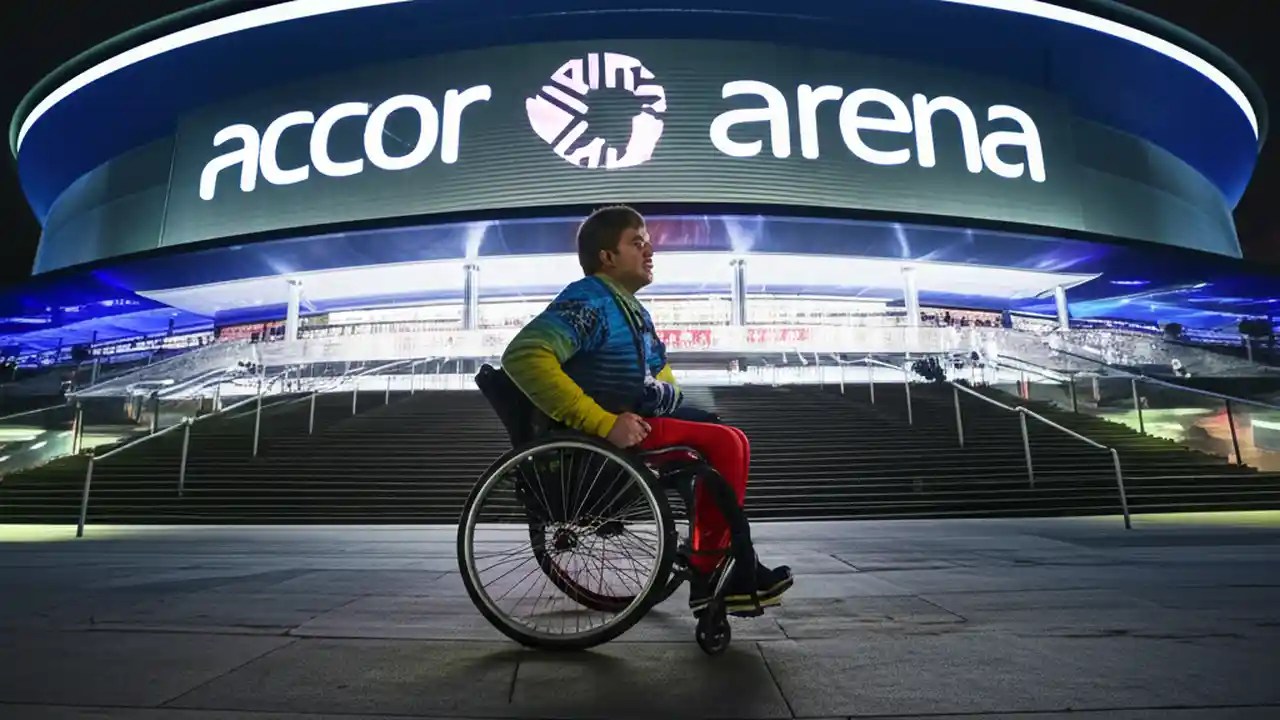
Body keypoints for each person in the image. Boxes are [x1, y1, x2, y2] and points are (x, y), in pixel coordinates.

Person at [500, 205, 793, 616]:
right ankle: (713, 570)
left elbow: (663, 376)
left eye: (649, 243)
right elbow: (525, 355)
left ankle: (724, 560)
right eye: (637, 243)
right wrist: (602, 423)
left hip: (639, 421)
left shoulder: (632, 312)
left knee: (731, 439)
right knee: (725, 442)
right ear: (607, 256)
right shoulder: (590, 300)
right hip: (605, 435)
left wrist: (671, 401)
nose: (649, 251)